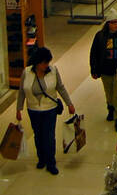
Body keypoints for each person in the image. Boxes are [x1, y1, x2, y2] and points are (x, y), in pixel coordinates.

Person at [16, 45, 75, 175]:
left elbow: (61, 87)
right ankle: (41, 158)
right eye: (44, 63)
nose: (46, 65)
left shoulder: (53, 71)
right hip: (33, 110)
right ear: (37, 63)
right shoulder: (26, 72)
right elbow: (21, 92)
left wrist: (69, 103)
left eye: (48, 62)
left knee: (49, 136)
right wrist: (18, 109)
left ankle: (51, 162)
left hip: (50, 109)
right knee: (38, 135)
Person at [89, 9, 117, 124]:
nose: (116, 25)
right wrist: (94, 69)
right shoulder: (100, 36)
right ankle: (111, 109)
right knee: (109, 93)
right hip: (105, 69)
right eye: (113, 22)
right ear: (108, 23)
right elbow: (94, 53)